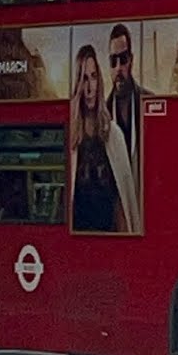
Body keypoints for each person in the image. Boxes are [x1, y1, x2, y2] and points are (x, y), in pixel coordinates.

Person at [69, 44, 140, 234]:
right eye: (84, 79)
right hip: (77, 239)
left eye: (93, 77)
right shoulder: (71, 137)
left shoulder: (113, 134)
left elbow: (122, 201)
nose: (89, 88)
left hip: (108, 237)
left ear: (99, 81)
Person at [107, 23, 152, 176]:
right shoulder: (103, 113)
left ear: (131, 60)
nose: (118, 68)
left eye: (123, 59)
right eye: (113, 61)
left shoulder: (148, 101)